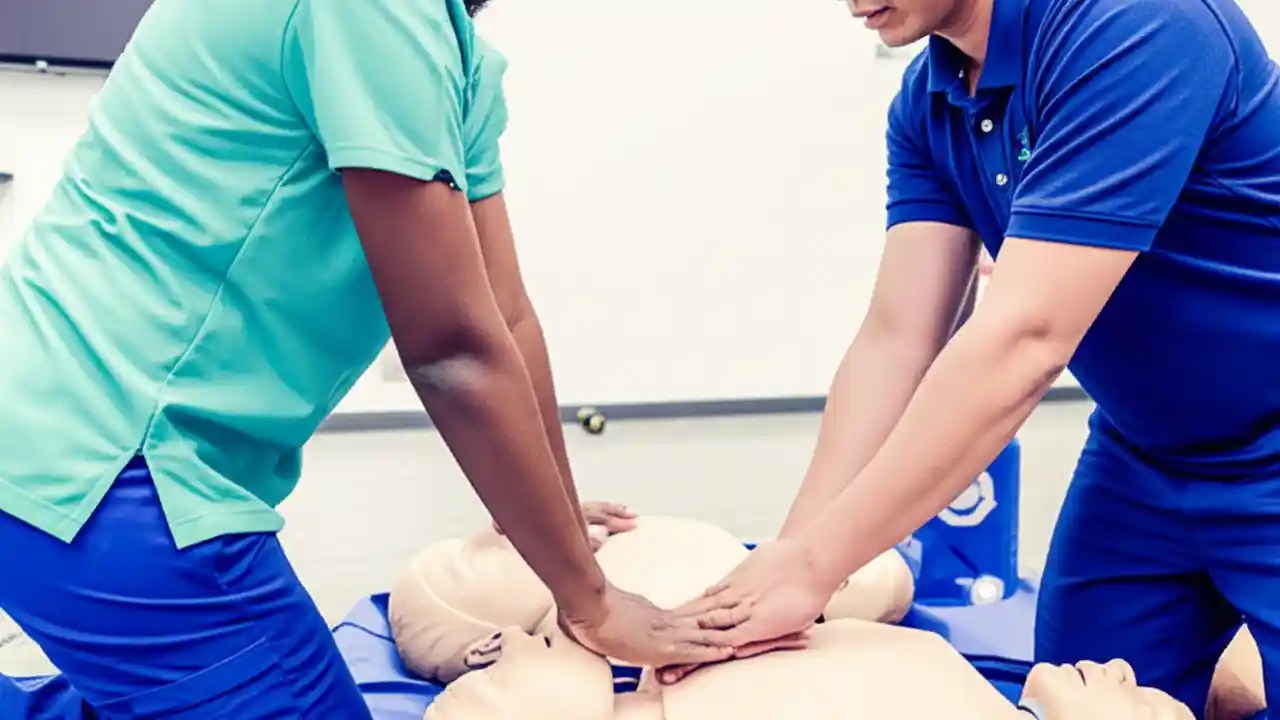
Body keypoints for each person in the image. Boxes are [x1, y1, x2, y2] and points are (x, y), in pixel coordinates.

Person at [0, 0, 731, 716]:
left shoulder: (454, 53)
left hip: (56, 433)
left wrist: (554, 524)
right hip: (101, 462)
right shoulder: (374, 11)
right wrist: (592, 602)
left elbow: (506, 321)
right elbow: (452, 350)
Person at [675, 0, 1280, 714]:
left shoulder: (1139, 23)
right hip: (1143, 456)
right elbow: (898, 337)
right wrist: (786, 565)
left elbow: (1026, 339)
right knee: (1067, 694)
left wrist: (816, 566)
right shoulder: (928, 105)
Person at [387, 515, 1192, 720]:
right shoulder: (971, 688)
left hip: (614, 637)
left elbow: (433, 604)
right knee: (882, 578)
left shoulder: (552, 655)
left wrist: (558, 643)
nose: (1127, 669)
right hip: (716, 578)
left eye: (1153, 704)